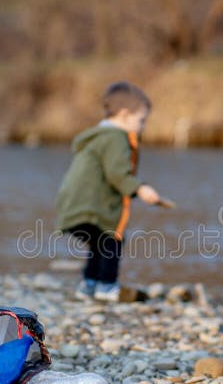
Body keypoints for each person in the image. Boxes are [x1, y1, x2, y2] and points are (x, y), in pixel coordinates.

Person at [55, 81, 161, 302]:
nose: (143, 126)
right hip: (90, 207)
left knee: (99, 241)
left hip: (71, 206)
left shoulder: (98, 136)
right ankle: (106, 284)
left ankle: (88, 283)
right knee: (112, 238)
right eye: (141, 120)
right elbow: (117, 173)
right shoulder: (116, 139)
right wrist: (140, 188)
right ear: (124, 115)